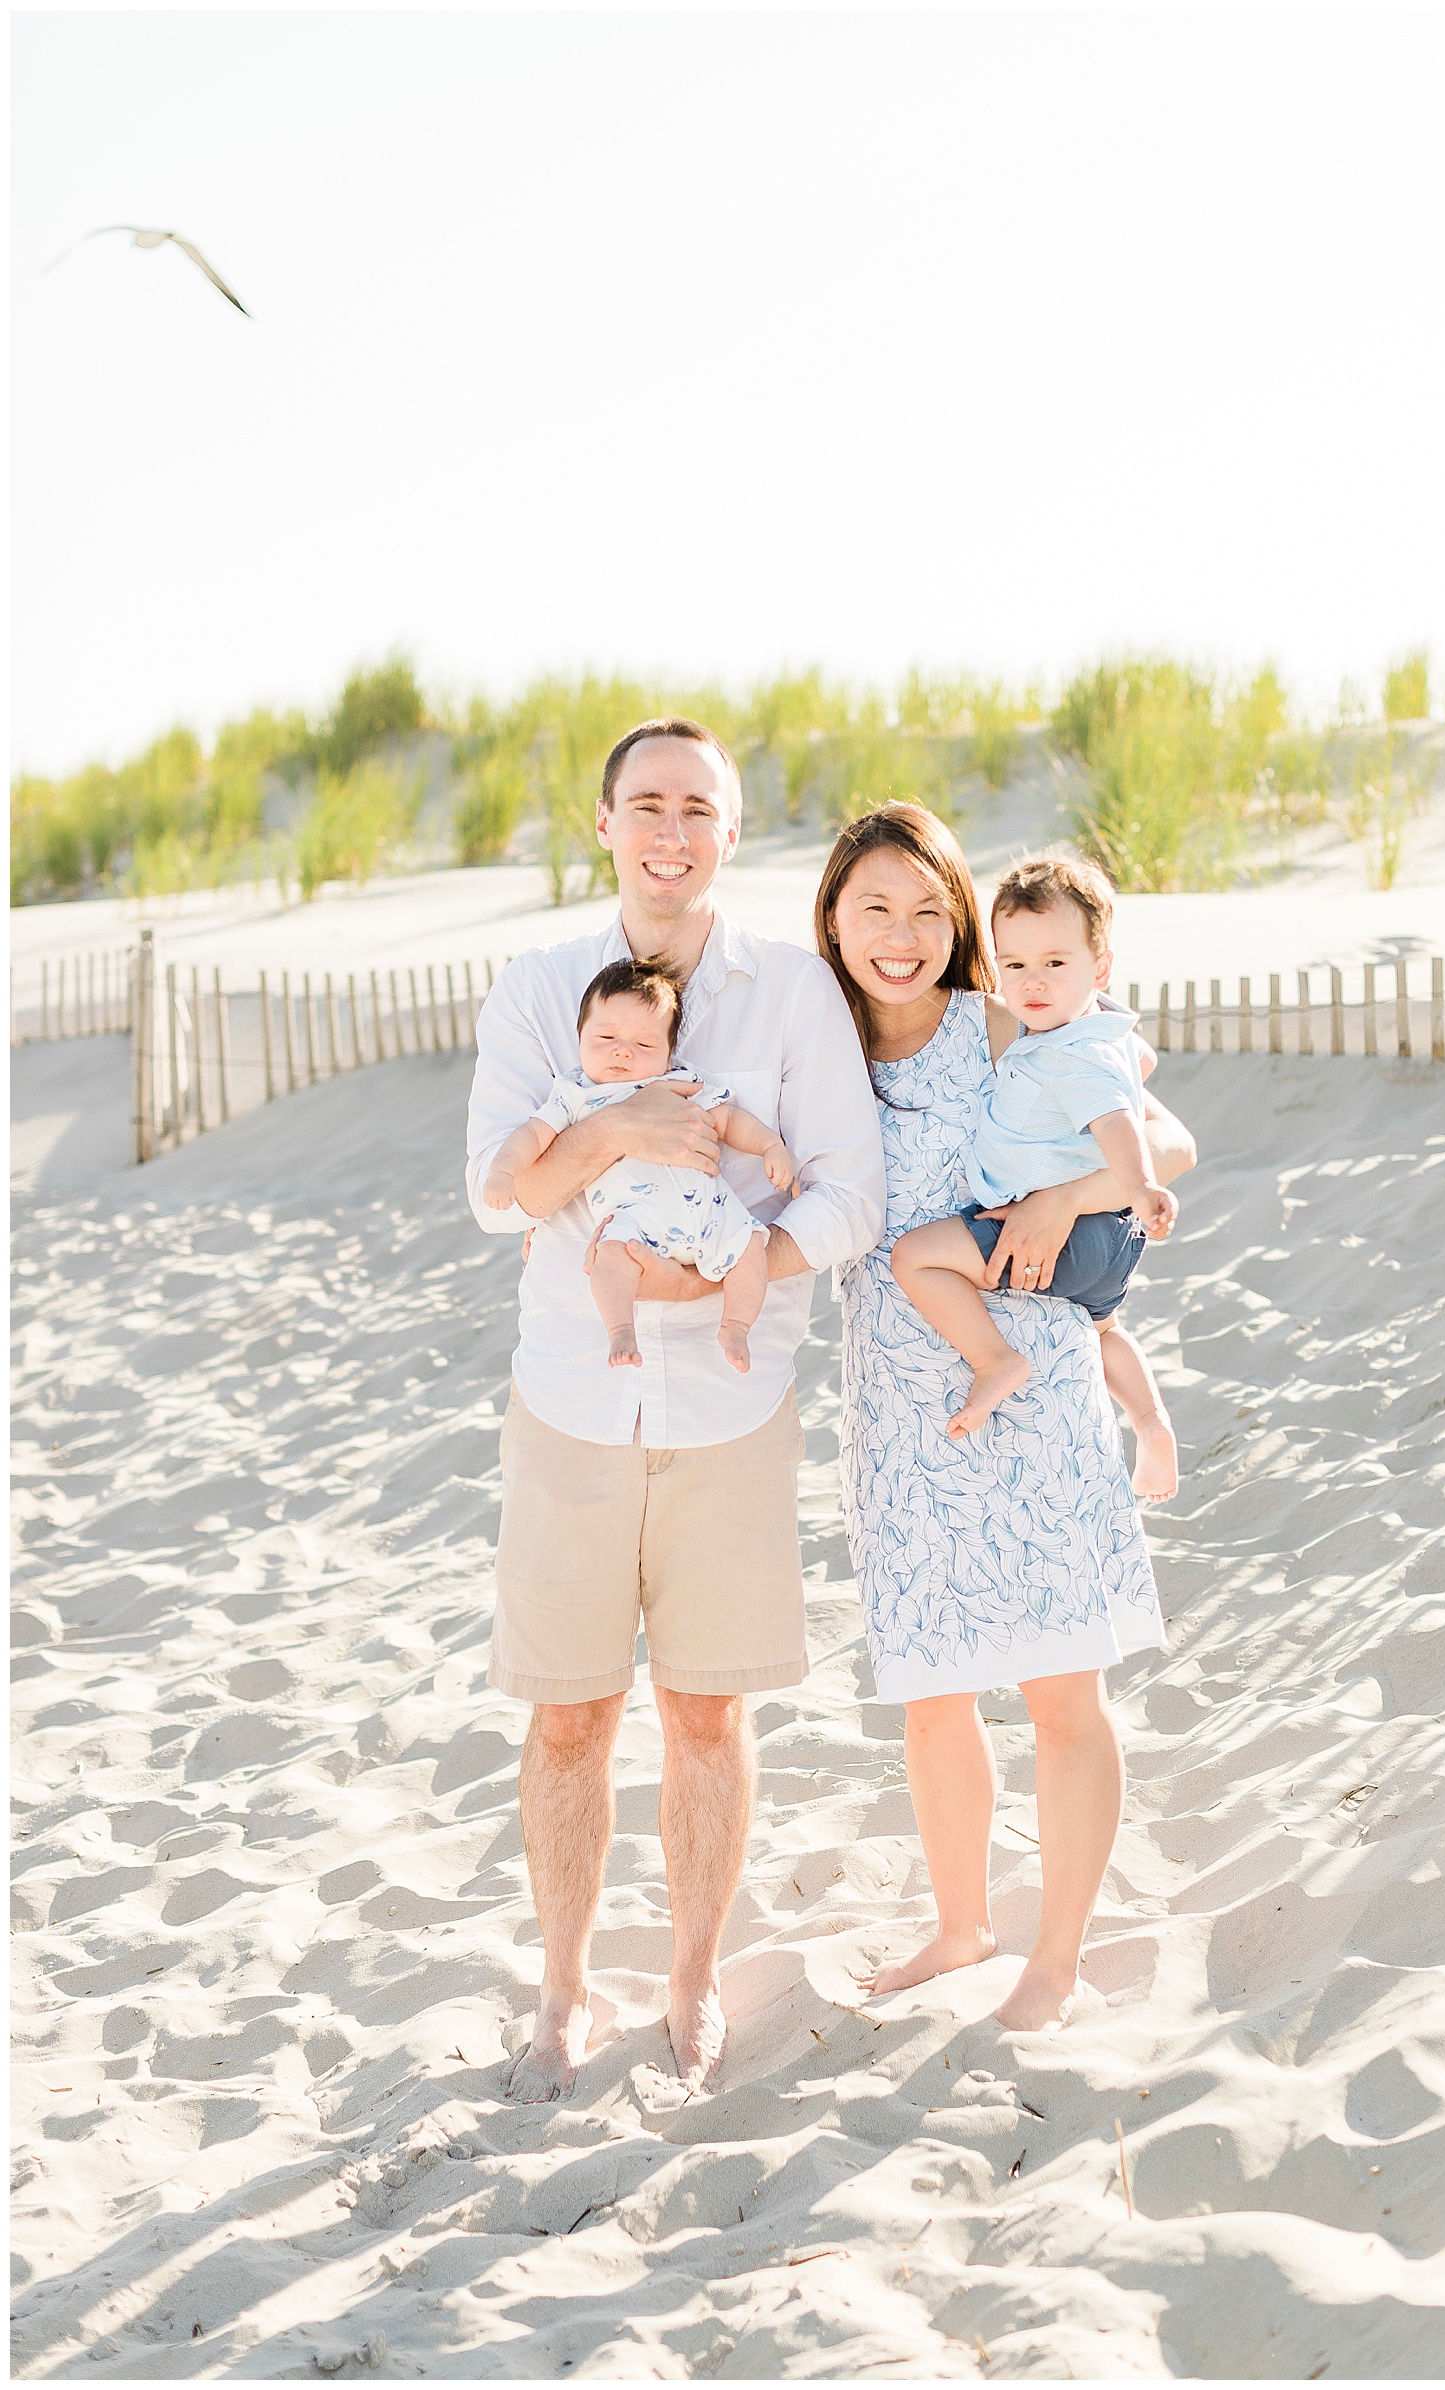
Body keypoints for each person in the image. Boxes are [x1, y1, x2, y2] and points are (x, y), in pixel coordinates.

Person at [465, 718, 883, 2100]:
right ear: (605, 826)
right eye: (646, 804)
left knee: (708, 1713)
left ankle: (694, 1973)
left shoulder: (795, 997)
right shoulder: (537, 987)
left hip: (735, 1399)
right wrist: (625, 1131)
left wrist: (752, 1262)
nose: (670, 831)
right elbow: (501, 1192)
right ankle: (564, 1988)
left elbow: (847, 1190)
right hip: (571, 1396)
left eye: (697, 809)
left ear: (729, 830)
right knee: (569, 1715)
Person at [817, 803, 1195, 2031]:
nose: (903, 933)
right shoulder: (813, 1047)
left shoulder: (1004, 1017)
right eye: (875, 906)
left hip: (1029, 1369)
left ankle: (1058, 1955)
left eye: (930, 908)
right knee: (935, 1688)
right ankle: (964, 1920)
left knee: (1057, 1692)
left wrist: (1057, 1202)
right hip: (897, 1399)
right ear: (832, 915)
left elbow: (1167, 1141)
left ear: (961, 919)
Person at [889, 853, 1180, 1494]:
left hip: (1066, 1233)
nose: (1033, 983)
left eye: (1055, 964)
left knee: (915, 1257)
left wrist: (1139, 1185)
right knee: (1106, 1332)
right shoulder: (1099, 1030)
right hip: (1110, 1241)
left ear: (1099, 967)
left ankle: (994, 1360)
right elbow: (1143, 1059)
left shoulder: (1070, 1054)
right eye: (1014, 965)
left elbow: (1116, 1124)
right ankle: (1151, 1422)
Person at [482, 954, 799, 1373]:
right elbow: (532, 1136)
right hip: (634, 1220)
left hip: (711, 1212)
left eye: (644, 1044)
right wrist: (504, 1171)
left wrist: (770, 1147)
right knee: (610, 1258)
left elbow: (729, 1120)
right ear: (579, 1037)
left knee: (751, 1249)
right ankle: (620, 1330)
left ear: (669, 1052)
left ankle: (736, 1325)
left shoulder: (679, 1083)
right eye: (605, 1037)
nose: (623, 1052)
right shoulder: (576, 1095)